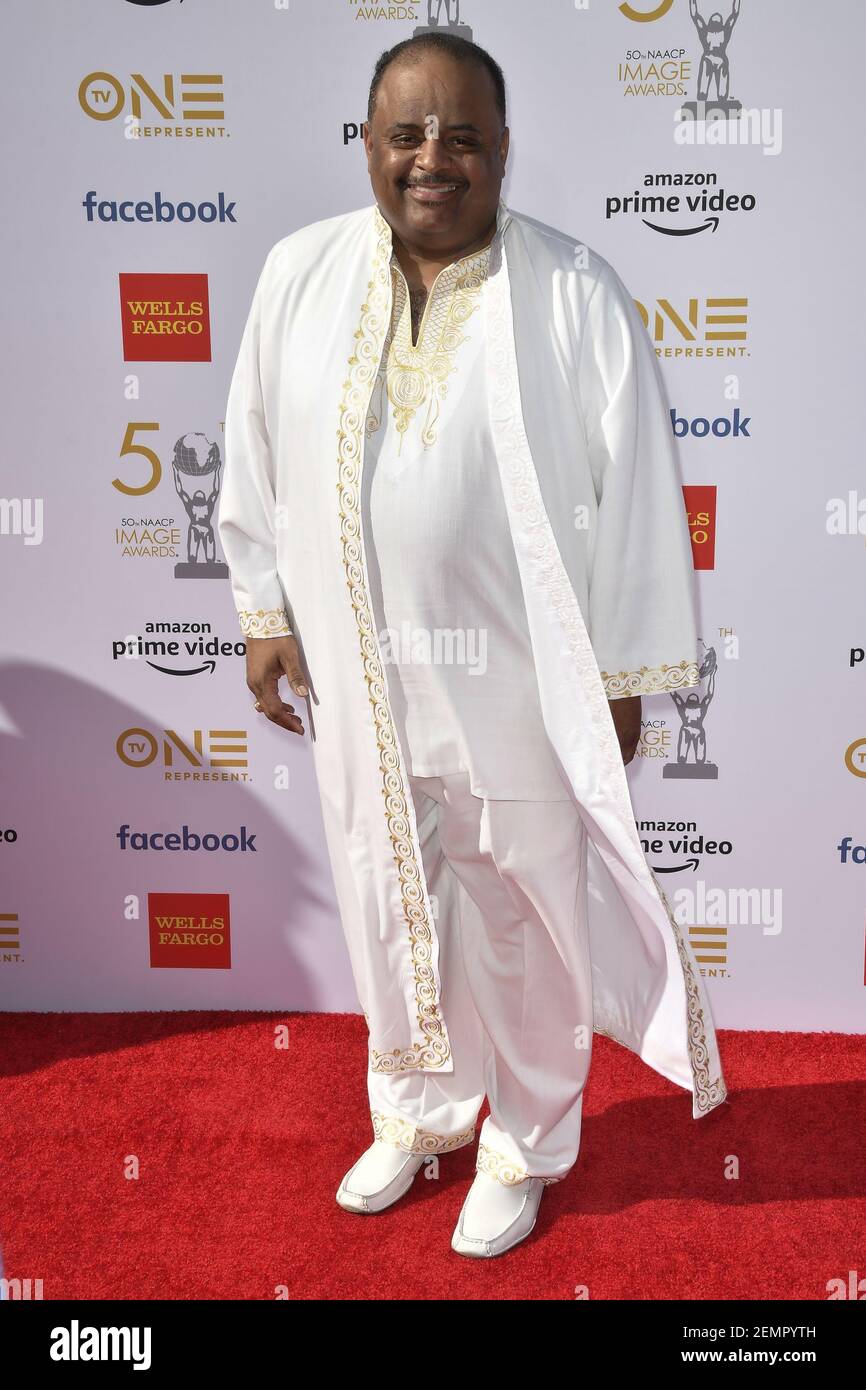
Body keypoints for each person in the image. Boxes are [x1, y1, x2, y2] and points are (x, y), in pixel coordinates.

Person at [217, 32, 727, 1260]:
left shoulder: (570, 288)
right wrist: (265, 608)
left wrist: (624, 676)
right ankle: (418, 1110)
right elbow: (251, 443)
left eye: (460, 136)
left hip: (513, 678)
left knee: (523, 908)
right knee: (387, 891)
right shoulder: (298, 272)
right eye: (406, 134)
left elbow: (642, 495)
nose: (430, 159)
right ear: (368, 144)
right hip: (357, 667)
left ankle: (525, 1140)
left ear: (503, 151)